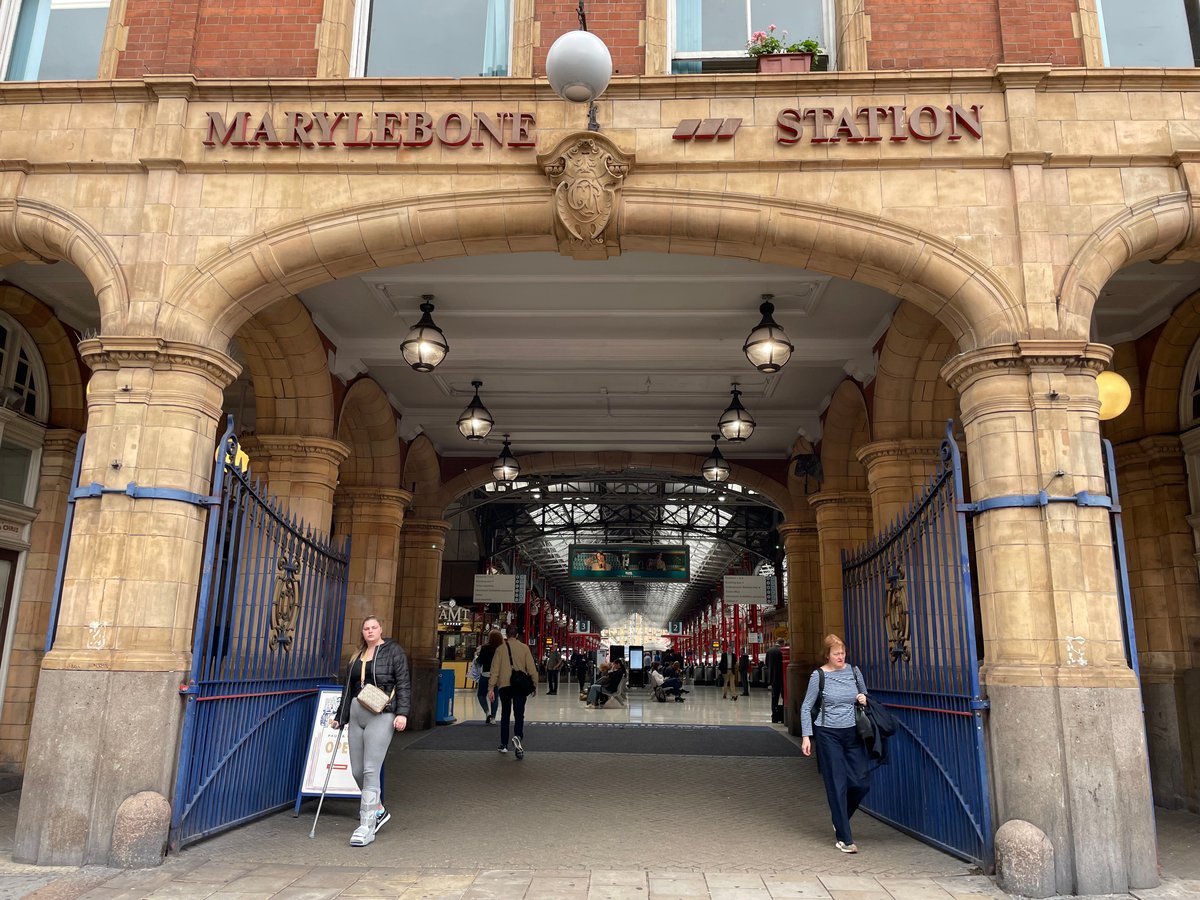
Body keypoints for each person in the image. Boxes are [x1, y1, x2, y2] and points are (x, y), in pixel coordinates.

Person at [330, 616, 410, 847]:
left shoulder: (393, 651)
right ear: (362, 632)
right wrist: (340, 717)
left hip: (381, 713)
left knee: (370, 769)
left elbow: (403, 682)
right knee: (356, 770)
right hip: (356, 712)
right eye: (366, 628)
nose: (370, 631)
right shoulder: (356, 656)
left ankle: (366, 825)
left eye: (374, 627)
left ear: (381, 629)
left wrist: (402, 713)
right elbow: (348, 689)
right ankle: (379, 810)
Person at [801, 633, 870, 854]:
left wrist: (863, 698)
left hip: (853, 732)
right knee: (837, 783)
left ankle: (840, 818)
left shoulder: (854, 672)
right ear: (827, 655)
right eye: (836, 653)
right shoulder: (818, 676)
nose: (841, 656)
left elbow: (864, 695)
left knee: (861, 783)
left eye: (843, 652)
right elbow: (805, 707)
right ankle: (844, 838)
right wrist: (806, 736)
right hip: (827, 734)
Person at [487, 623, 538, 759]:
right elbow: (532, 669)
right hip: (520, 686)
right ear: (516, 635)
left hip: (505, 686)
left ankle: (503, 745)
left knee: (505, 714)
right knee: (519, 714)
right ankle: (517, 737)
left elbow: (495, 670)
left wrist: (491, 688)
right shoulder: (524, 648)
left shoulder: (500, 649)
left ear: (506, 635)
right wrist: (534, 684)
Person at [475, 629, 502, 724]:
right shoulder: (502, 648)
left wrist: (477, 657)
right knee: (494, 696)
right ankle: (493, 718)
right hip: (497, 676)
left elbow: (480, 661)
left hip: (485, 674)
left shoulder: (485, 648)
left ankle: (487, 712)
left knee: (481, 695)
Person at [766, 637, 786, 723]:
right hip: (782, 678)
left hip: (773, 678)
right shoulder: (781, 651)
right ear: (782, 644)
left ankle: (774, 716)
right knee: (784, 697)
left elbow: (767, 663)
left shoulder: (769, 651)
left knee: (774, 698)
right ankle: (783, 716)